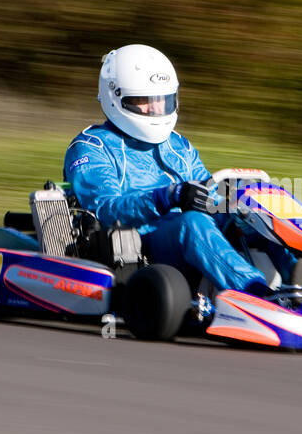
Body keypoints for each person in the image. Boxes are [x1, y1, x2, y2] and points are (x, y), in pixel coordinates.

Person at [63, 44, 273, 296]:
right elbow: (104, 209)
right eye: (143, 101)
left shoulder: (178, 145)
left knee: (261, 214)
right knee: (192, 223)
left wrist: (239, 207)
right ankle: (257, 293)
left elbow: (208, 195)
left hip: (195, 233)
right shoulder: (91, 147)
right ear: (115, 96)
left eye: (162, 100)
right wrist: (167, 196)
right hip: (140, 243)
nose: (154, 108)